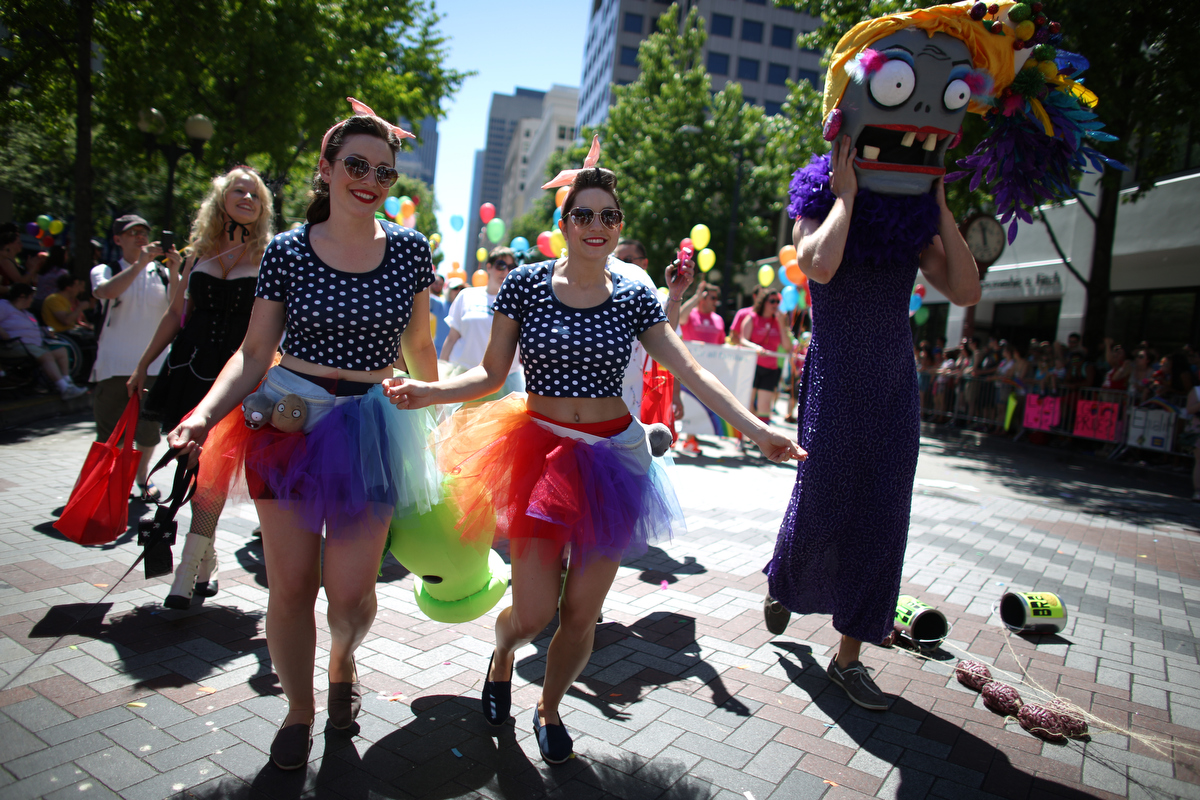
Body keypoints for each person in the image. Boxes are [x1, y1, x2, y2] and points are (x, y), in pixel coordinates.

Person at [383, 164, 803, 764]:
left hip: (614, 461)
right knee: (532, 615)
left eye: (609, 215)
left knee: (581, 615)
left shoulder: (634, 295)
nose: (597, 225)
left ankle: (549, 707)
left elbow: (691, 369)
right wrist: (428, 392)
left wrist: (760, 431)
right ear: (564, 223)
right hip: (539, 455)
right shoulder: (525, 285)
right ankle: (503, 657)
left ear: (618, 225)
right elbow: (491, 375)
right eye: (584, 214)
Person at [168, 105, 438, 770]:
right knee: (289, 586)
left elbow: (421, 344)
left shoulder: (409, 249)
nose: (370, 179)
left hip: (373, 426)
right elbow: (254, 350)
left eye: (384, 171)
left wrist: (435, 421)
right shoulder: (287, 249)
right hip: (287, 419)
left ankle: (343, 664)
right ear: (326, 169)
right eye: (356, 165)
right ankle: (299, 710)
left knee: (349, 591)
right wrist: (202, 414)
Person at [763, 133, 981, 711]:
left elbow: (965, 288)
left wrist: (938, 210)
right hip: (835, 377)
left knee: (884, 513)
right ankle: (784, 578)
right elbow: (821, 266)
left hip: (893, 385)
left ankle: (848, 657)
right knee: (821, 500)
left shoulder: (914, 221)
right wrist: (848, 197)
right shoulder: (814, 207)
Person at [127, 166, 275, 610]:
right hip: (187, 372)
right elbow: (176, 316)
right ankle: (204, 565)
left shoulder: (271, 256)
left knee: (207, 475)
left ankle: (186, 574)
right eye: (238, 190)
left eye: (254, 193)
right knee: (188, 468)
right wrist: (143, 363)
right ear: (221, 200)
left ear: (263, 206)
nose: (246, 197)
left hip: (240, 377)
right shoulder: (196, 257)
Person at [91, 214, 180, 500]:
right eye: (133, 233)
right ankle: (110, 481)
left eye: (144, 231)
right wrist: (140, 263)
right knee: (110, 432)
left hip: (154, 367)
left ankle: (140, 479)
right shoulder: (105, 269)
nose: (141, 237)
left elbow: (178, 308)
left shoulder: (162, 273)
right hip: (113, 366)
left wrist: (177, 269)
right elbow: (104, 292)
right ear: (117, 239)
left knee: (148, 431)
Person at [441, 247, 524, 402]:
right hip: (465, 377)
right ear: (489, 267)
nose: (505, 271)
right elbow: (452, 338)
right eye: (500, 265)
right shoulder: (467, 295)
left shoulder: (520, 301)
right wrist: (442, 371)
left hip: (506, 381)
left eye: (511, 267)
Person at [0, 284, 87, 399]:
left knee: (61, 351)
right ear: (22, 297)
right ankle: (64, 388)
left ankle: (68, 382)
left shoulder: (27, 313)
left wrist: (45, 331)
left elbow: (33, 328)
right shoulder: (4, 306)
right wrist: (3, 333)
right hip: (12, 346)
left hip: (35, 346)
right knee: (45, 355)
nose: (32, 300)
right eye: (31, 297)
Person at [739, 290, 791, 425]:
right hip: (752, 366)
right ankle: (747, 434)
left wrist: (781, 324)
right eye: (772, 301)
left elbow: (787, 346)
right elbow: (743, 340)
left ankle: (762, 439)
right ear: (763, 302)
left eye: (778, 302)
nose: (775, 304)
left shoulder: (779, 321)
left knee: (765, 406)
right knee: (748, 404)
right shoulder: (752, 317)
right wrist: (755, 348)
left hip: (771, 369)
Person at [429, 273, 450, 356]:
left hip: (437, 350)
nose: (438, 286)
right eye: (436, 283)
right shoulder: (421, 298)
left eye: (440, 284)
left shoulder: (443, 303)